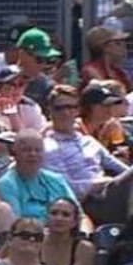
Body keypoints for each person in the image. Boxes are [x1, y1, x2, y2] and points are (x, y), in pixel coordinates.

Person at [41, 84, 133, 225]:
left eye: (71, 107)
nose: (66, 113)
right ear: (50, 111)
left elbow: (121, 168)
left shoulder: (88, 141)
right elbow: (64, 188)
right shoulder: (48, 146)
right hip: (86, 203)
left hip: (109, 195)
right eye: (60, 108)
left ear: (77, 110)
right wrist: (98, 184)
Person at [0, 130, 78, 223]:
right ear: (15, 153)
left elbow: (80, 215)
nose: (33, 154)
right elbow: (16, 224)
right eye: (26, 150)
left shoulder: (57, 179)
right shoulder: (6, 184)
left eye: (38, 150)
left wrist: (84, 233)